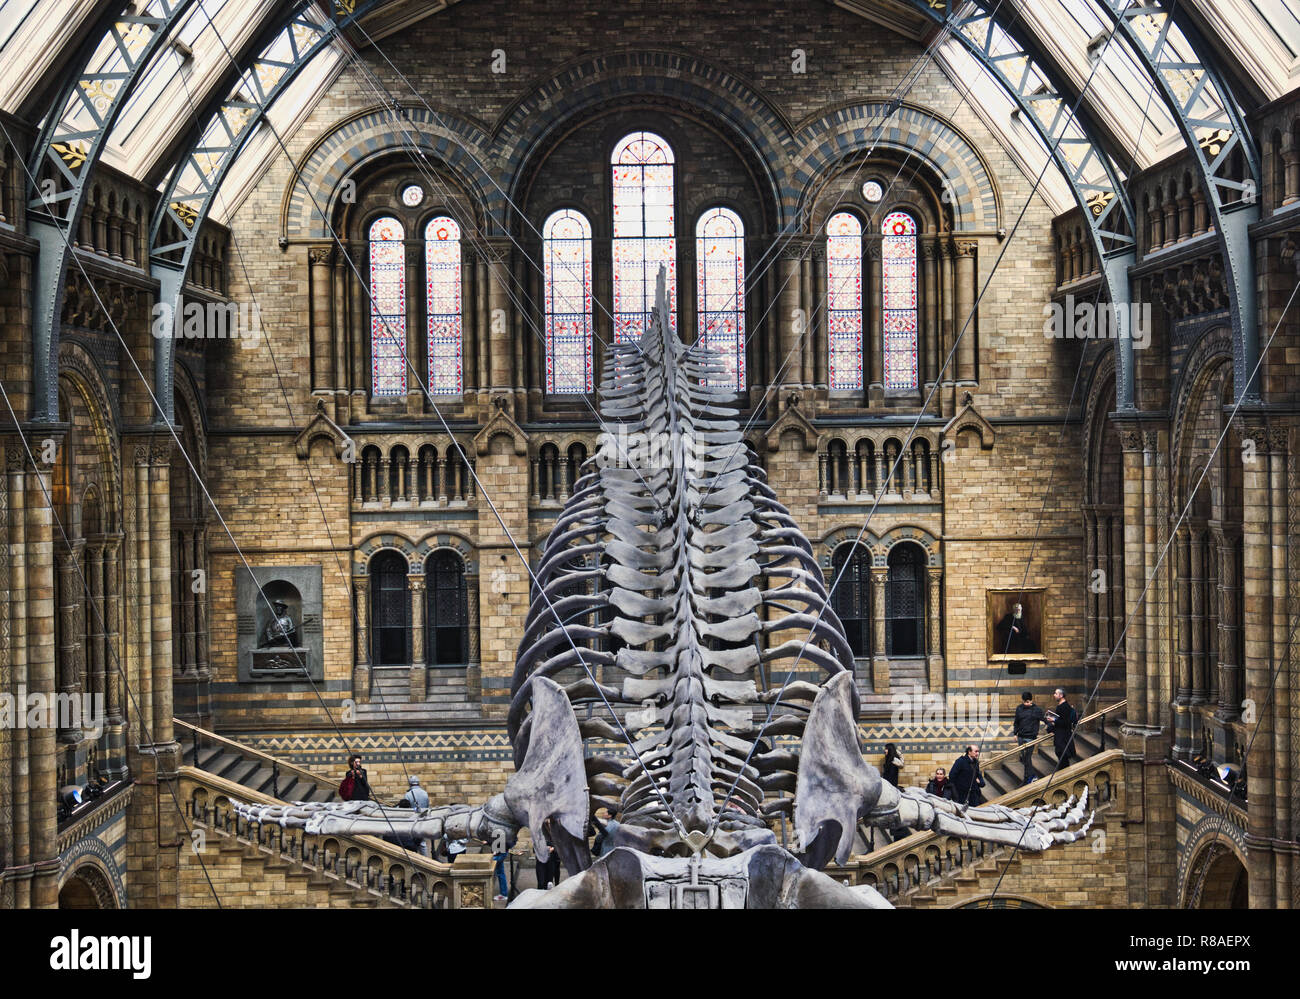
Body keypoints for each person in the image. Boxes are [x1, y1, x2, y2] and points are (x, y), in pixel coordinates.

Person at [1013, 691, 1046, 784]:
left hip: (1031, 738)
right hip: (1021, 737)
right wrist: (1015, 734)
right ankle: (1028, 778)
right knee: (1024, 758)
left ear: (1031, 700)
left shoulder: (1037, 710)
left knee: (1027, 758)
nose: (1027, 704)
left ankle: (1031, 776)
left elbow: (1045, 719)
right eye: (1025, 702)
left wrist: (1051, 726)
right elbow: (1016, 722)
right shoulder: (1019, 709)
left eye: (1028, 702)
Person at [1046, 688, 1078, 769]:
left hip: (1063, 737)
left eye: (1056, 693)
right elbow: (1061, 719)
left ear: (1061, 695)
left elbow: (1066, 723)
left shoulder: (1065, 707)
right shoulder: (1061, 706)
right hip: (1060, 735)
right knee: (1060, 755)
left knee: (1063, 756)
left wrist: (1054, 720)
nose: (1054, 695)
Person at [535, 817, 563, 889]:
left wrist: (553, 848)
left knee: (551, 880)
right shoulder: (540, 832)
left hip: (553, 858)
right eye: (548, 823)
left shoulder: (557, 832)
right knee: (542, 882)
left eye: (551, 823)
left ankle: (556, 885)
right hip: (542, 860)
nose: (550, 824)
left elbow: (560, 844)